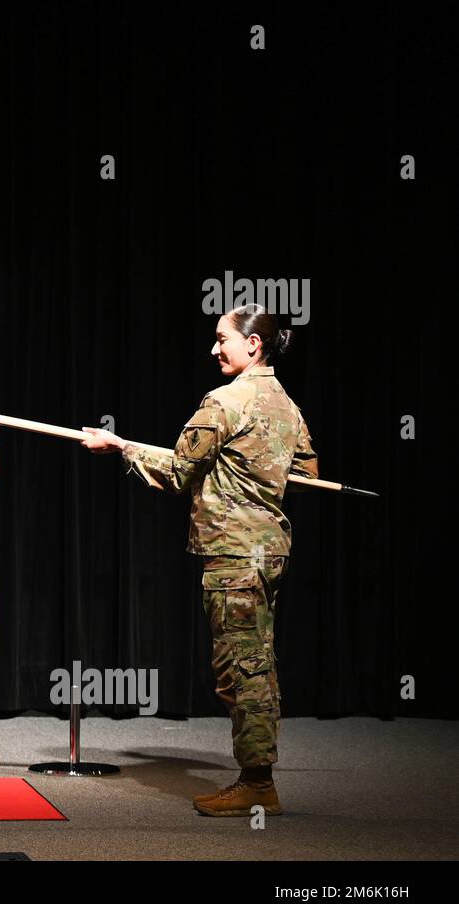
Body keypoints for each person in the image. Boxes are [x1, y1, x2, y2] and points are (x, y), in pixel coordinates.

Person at [81, 303, 318, 817]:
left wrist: (119, 447)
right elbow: (309, 470)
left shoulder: (225, 401)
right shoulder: (287, 406)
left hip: (234, 554)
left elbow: (178, 471)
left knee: (243, 668)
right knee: (261, 661)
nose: (214, 349)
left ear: (253, 345)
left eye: (222, 339)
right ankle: (258, 776)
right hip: (269, 550)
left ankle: (257, 783)